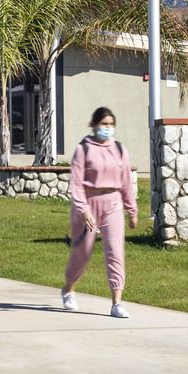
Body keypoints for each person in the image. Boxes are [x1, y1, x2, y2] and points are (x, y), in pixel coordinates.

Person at [61, 107, 139, 320]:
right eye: (104, 124)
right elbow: (77, 183)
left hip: (113, 204)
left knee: (115, 252)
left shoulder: (120, 149)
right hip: (89, 204)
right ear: (94, 125)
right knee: (83, 253)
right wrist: (83, 209)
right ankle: (68, 288)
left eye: (111, 124)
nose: (108, 128)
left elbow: (126, 183)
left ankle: (117, 303)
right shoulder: (83, 149)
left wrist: (132, 210)